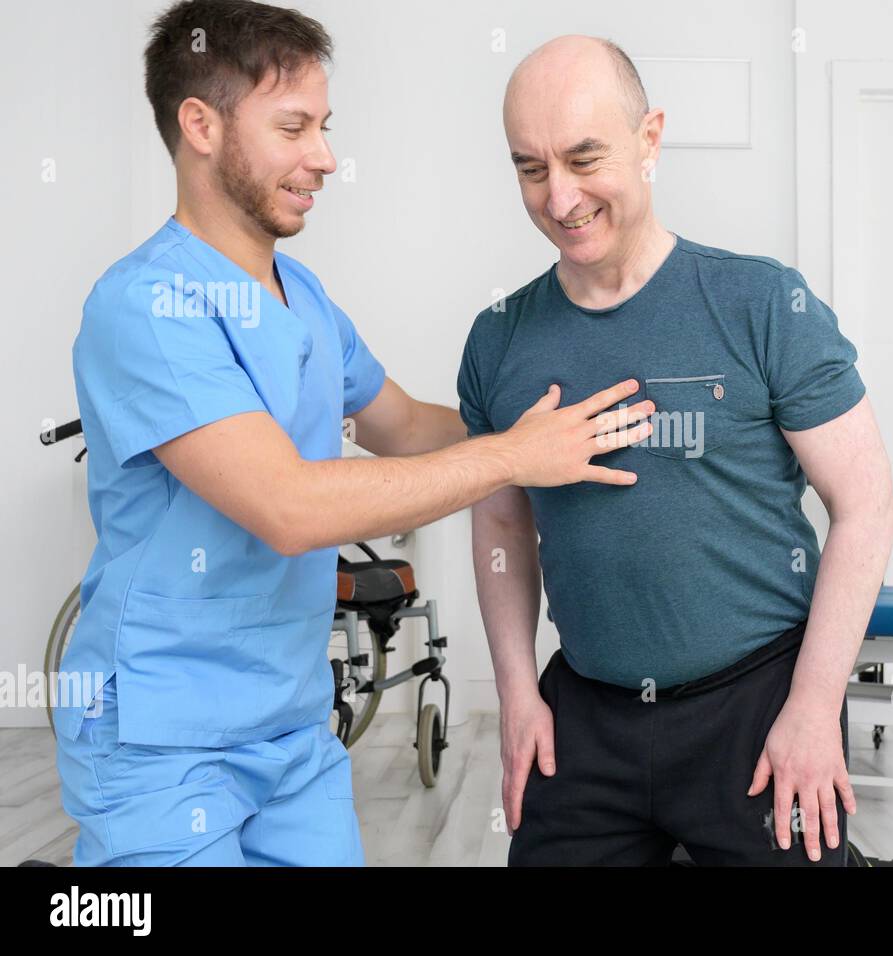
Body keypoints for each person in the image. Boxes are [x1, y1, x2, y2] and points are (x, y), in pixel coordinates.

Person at [55, 1, 652, 867]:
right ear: (201, 126)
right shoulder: (146, 305)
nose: (326, 158)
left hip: (291, 727)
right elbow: (289, 507)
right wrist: (517, 457)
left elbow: (408, 426)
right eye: (293, 127)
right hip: (162, 738)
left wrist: (563, 428)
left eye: (325, 127)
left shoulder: (305, 299)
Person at [458, 35, 893, 865]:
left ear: (650, 138)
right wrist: (518, 692)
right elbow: (503, 531)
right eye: (530, 168)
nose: (561, 198)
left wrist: (813, 705)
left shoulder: (763, 303)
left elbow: (865, 503)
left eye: (586, 158)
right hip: (586, 714)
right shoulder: (499, 339)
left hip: (757, 703)